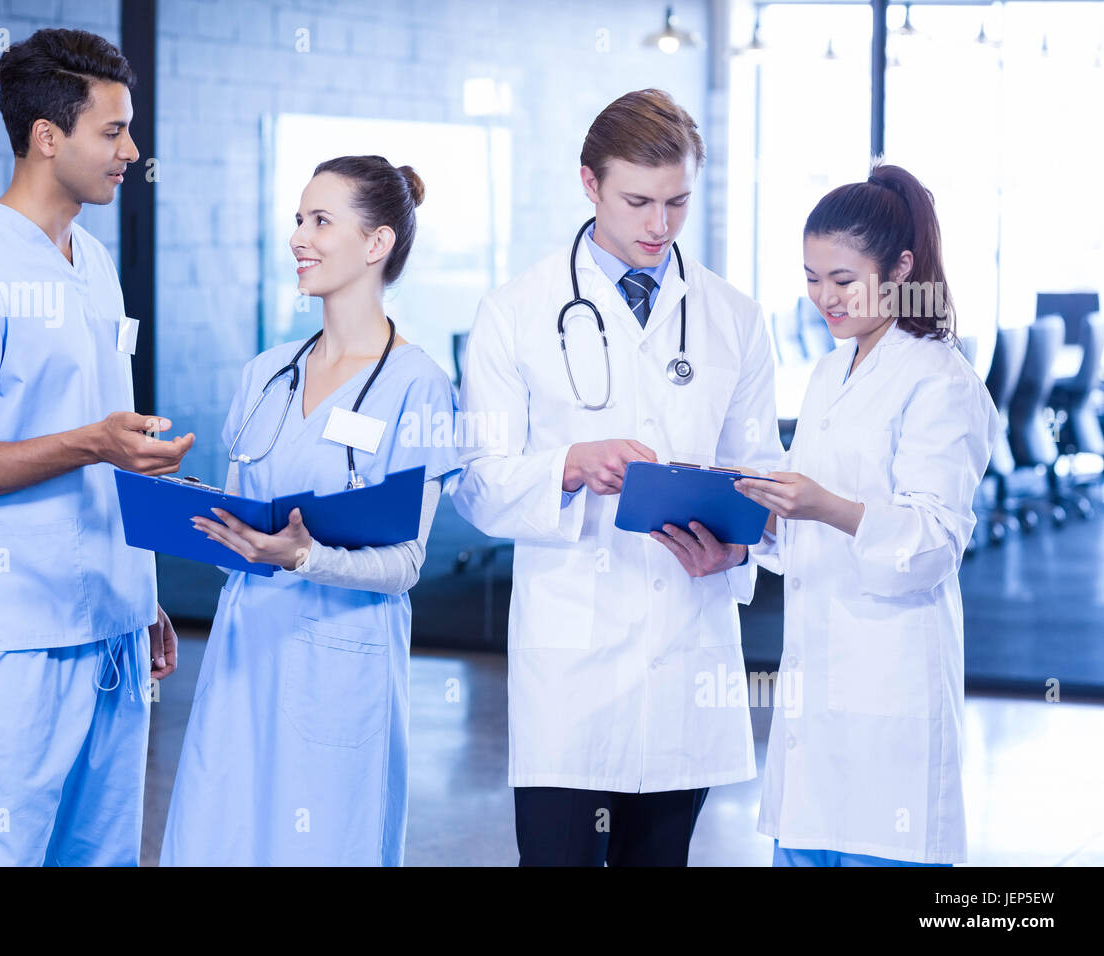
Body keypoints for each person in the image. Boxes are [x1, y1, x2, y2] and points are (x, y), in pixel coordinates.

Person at [452, 89, 783, 866]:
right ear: (589, 183)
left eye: (677, 202)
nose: (658, 226)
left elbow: (764, 477)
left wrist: (736, 552)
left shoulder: (736, 318)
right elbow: (477, 483)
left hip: (686, 643)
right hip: (571, 661)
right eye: (637, 200)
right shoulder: (515, 311)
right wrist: (569, 467)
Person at [0, 28, 192, 866]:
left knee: (98, 858)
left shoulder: (93, 262)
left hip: (107, 619)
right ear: (46, 135)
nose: (132, 151)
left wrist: (138, 593)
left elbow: (105, 445)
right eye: (114, 130)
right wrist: (91, 443)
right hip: (11, 632)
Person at [160, 156, 461, 867]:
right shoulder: (265, 374)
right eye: (299, 219)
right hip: (244, 650)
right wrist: (198, 514)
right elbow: (247, 510)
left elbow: (405, 564)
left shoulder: (418, 386)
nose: (300, 236)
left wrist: (302, 557)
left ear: (376, 244)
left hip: (342, 666)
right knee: (221, 839)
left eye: (321, 221)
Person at [734, 163, 998, 866]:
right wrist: (755, 522)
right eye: (812, 277)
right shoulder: (830, 371)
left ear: (901, 267)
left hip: (892, 703)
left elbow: (936, 543)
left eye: (843, 280)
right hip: (813, 713)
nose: (824, 297)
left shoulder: (942, 381)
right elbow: (803, 541)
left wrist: (827, 506)